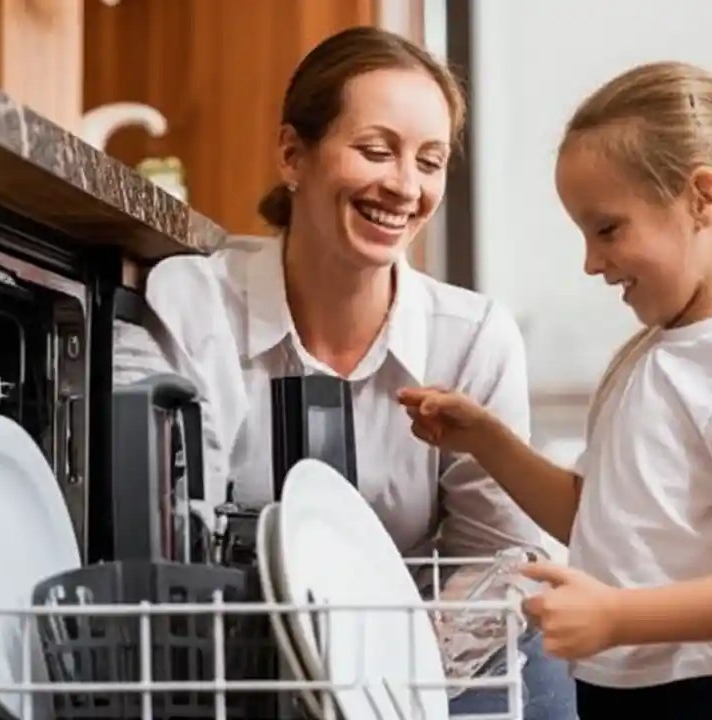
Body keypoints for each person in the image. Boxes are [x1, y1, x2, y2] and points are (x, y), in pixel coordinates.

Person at [112, 26, 576, 719]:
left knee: (544, 650)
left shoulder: (473, 338)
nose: (406, 187)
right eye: (376, 150)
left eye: (431, 160)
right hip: (235, 664)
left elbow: (498, 564)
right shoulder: (195, 303)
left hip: (420, 671)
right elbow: (172, 538)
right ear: (293, 154)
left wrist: (376, 683)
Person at [398, 60, 712, 719]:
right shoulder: (651, 358)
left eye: (608, 229)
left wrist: (618, 616)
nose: (592, 262)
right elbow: (592, 519)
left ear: (703, 199)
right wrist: (485, 440)